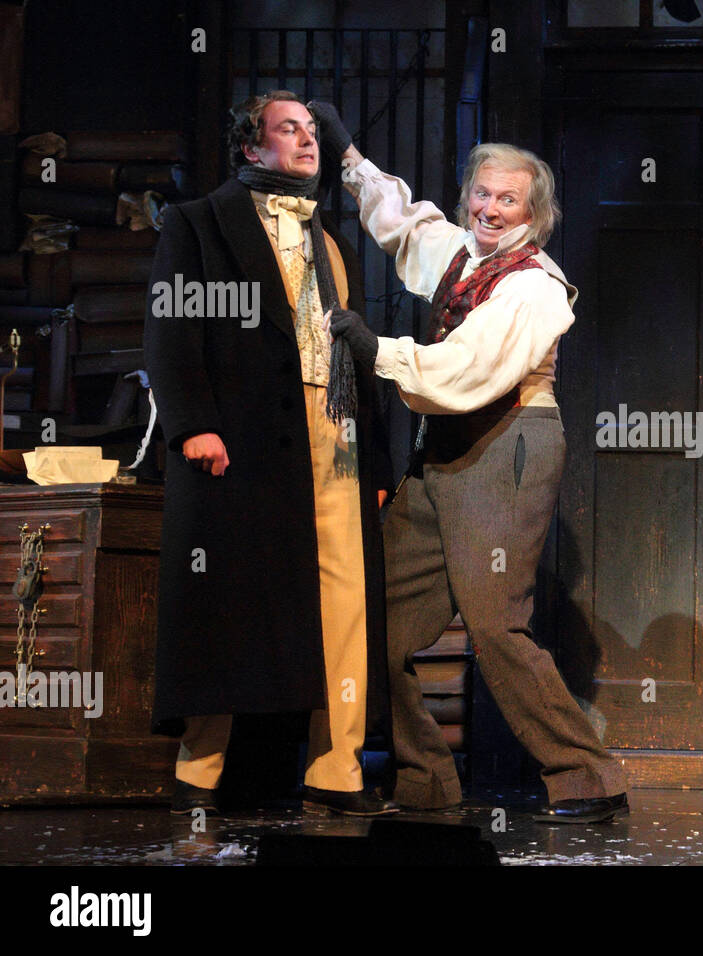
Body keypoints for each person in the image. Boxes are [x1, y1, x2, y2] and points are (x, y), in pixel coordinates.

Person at [312, 102, 629, 823]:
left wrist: (376, 350)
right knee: (376, 619)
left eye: (507, 198)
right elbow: (405, 225)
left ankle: (589, 776)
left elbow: (462, 370)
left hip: (507, 444)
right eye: (482, 193)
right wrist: (351, 159)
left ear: (534, 213)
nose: (490, 207)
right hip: (446, 450)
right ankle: (426, 778)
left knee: (494, 626)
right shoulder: (463, 254)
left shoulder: (533, 287)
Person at [144, 90, 397, 816]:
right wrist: (193, 422)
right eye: (290, 129)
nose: (308, 141)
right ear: (252, 147)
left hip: (334, 434)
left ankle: (338, 766)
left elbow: (355, 353)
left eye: (313, 130)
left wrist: (374, 463)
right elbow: (172, 326)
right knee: (225, 603)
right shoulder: (199, 224)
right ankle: (202, 769)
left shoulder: (331, 242)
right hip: (243, 437)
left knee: (344, 599)